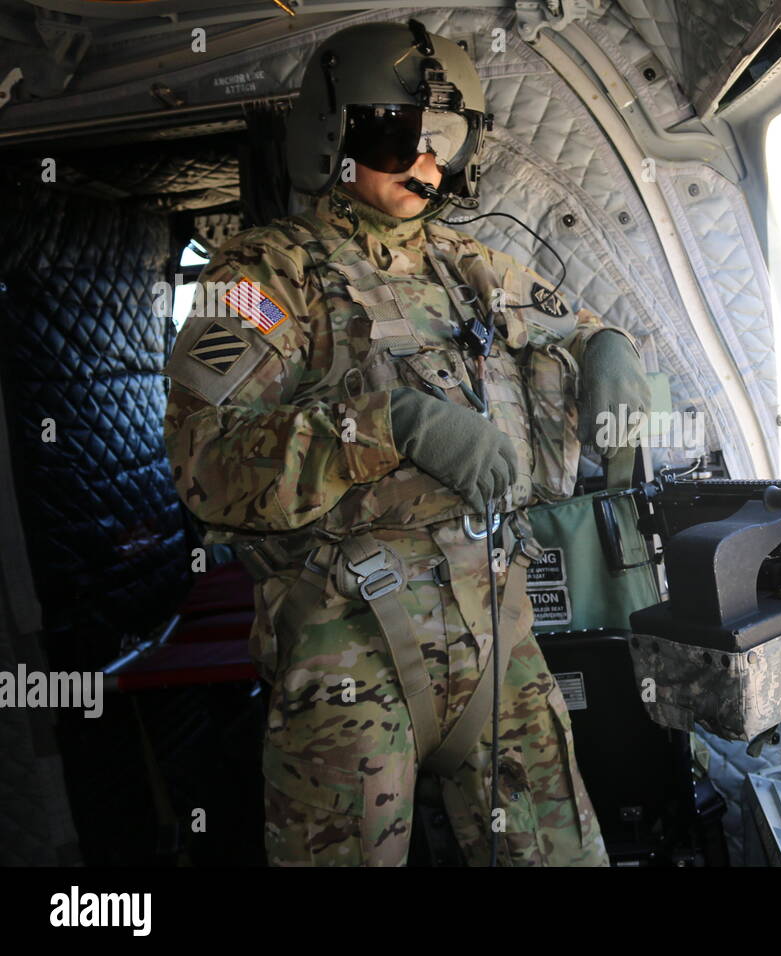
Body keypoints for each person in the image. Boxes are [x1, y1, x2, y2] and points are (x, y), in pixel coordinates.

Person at [162, 18, 650, 866]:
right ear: (332, 137)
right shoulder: (259, 281)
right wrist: (385, 428)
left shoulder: (472, 266)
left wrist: (609, 351)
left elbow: (580, 328)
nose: (426, 163)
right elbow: (206, 466)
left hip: (498, 631)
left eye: (444, 141)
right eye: (396, 137)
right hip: (349, 654)